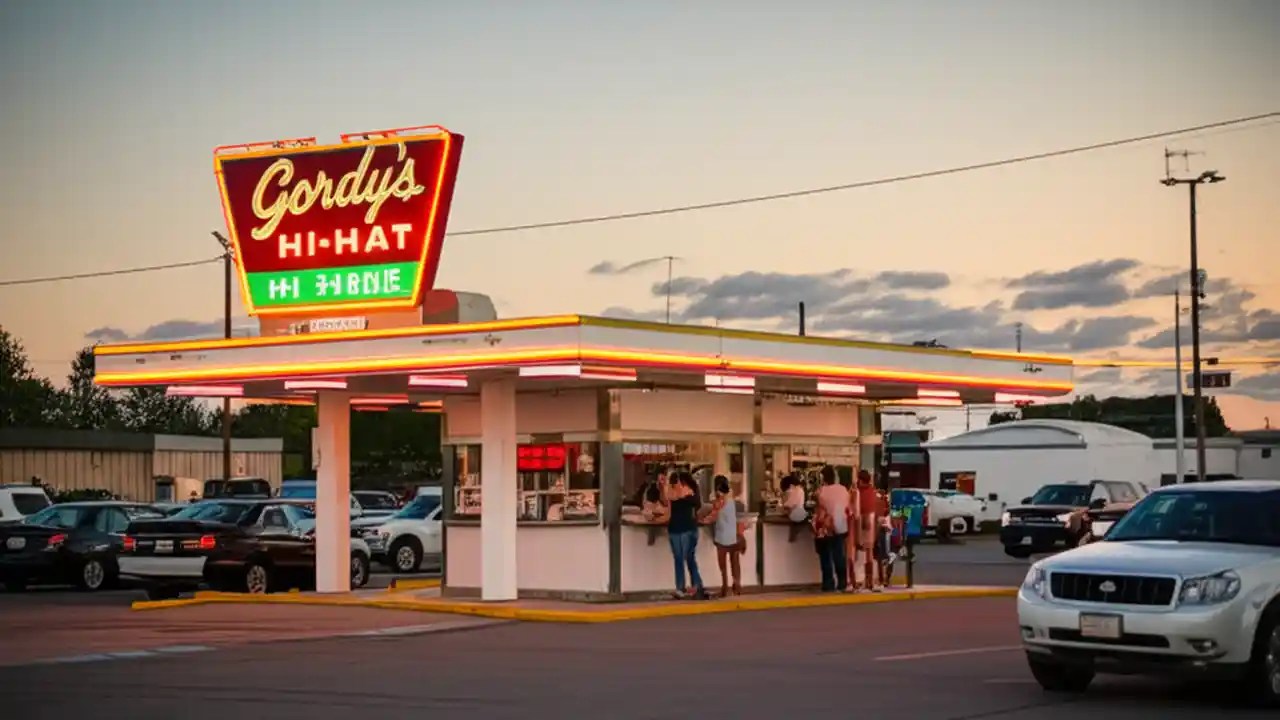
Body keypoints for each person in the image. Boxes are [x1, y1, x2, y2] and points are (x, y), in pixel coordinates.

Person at [665, 470, 707, 599]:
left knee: (686, 558)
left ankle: (693, 586)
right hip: (677, 528)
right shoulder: (676, 493)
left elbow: (676, 496)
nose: (676, 485)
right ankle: (689, 586)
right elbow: (669, 498)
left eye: (678, 482)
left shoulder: (690, 493)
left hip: (686, 529)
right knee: (682, 559)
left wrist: (676, 491)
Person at [704, 475, 743, 597]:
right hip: (733, 535)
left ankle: (725, 587)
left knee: (723, 565)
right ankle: (737, 585)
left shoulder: (719, 501)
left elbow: (712, 516)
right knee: (735, 562)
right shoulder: (732, 499)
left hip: (721, 537)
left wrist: (704, 520)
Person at [814, 466, 849, 592]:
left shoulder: (821, 491)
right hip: (841, 526)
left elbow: (819, 510)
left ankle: (828, 584)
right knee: (839, 555)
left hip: (826, 527)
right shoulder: (844, 489)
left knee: (825, 556)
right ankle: (842, 582)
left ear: (823, 477)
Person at [856, 470, 883, 592]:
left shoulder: (860, 492)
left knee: (864, 552)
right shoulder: (873, 491)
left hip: (863, 521)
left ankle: (867, 580)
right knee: (869, 553)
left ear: (860, 480)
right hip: (872, 521)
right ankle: (870, 581)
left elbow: (858, 509)